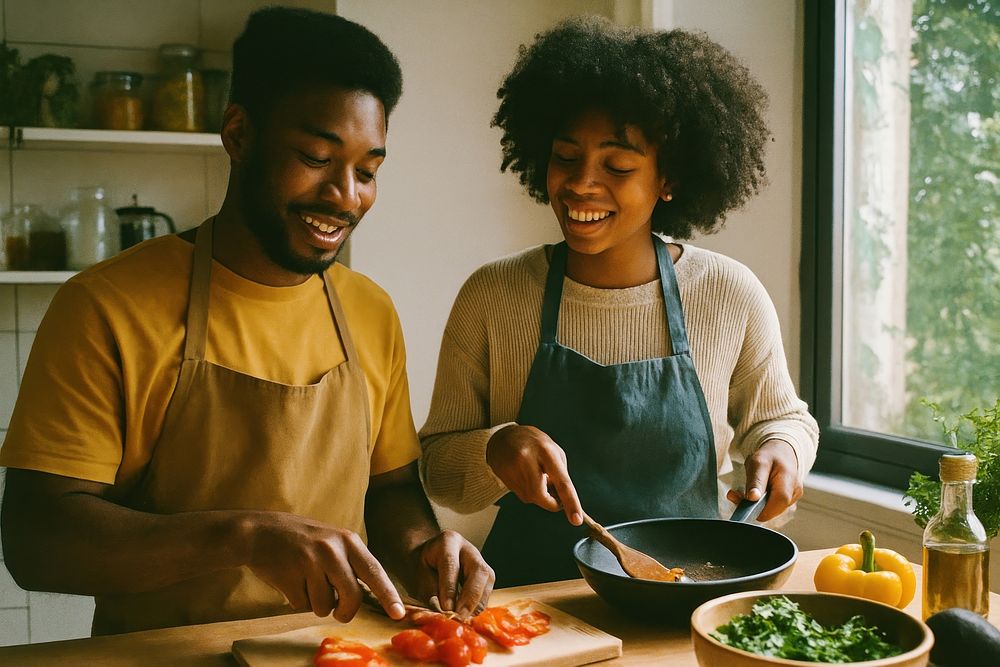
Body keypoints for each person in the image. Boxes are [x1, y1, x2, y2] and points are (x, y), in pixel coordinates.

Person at [0, 7, 493, 635]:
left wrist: (426, 547)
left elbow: (390, 490)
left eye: (367, 171)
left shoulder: (369, 310)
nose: (346, 196)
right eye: (316, 157)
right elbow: (38, 540)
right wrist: (242, 536)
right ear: (238, 133)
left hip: (335, 650)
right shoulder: (108, 306)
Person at [419, 16, 819, 587]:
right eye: (565, 157)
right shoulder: (493, 295)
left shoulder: (730, 293)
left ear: (669, 178)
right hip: (532, 602)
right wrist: (494, 447)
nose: (582, 184)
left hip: (687, 588)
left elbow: (781, 417)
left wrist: (783, 449)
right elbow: (437, 470)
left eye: (618, 165)